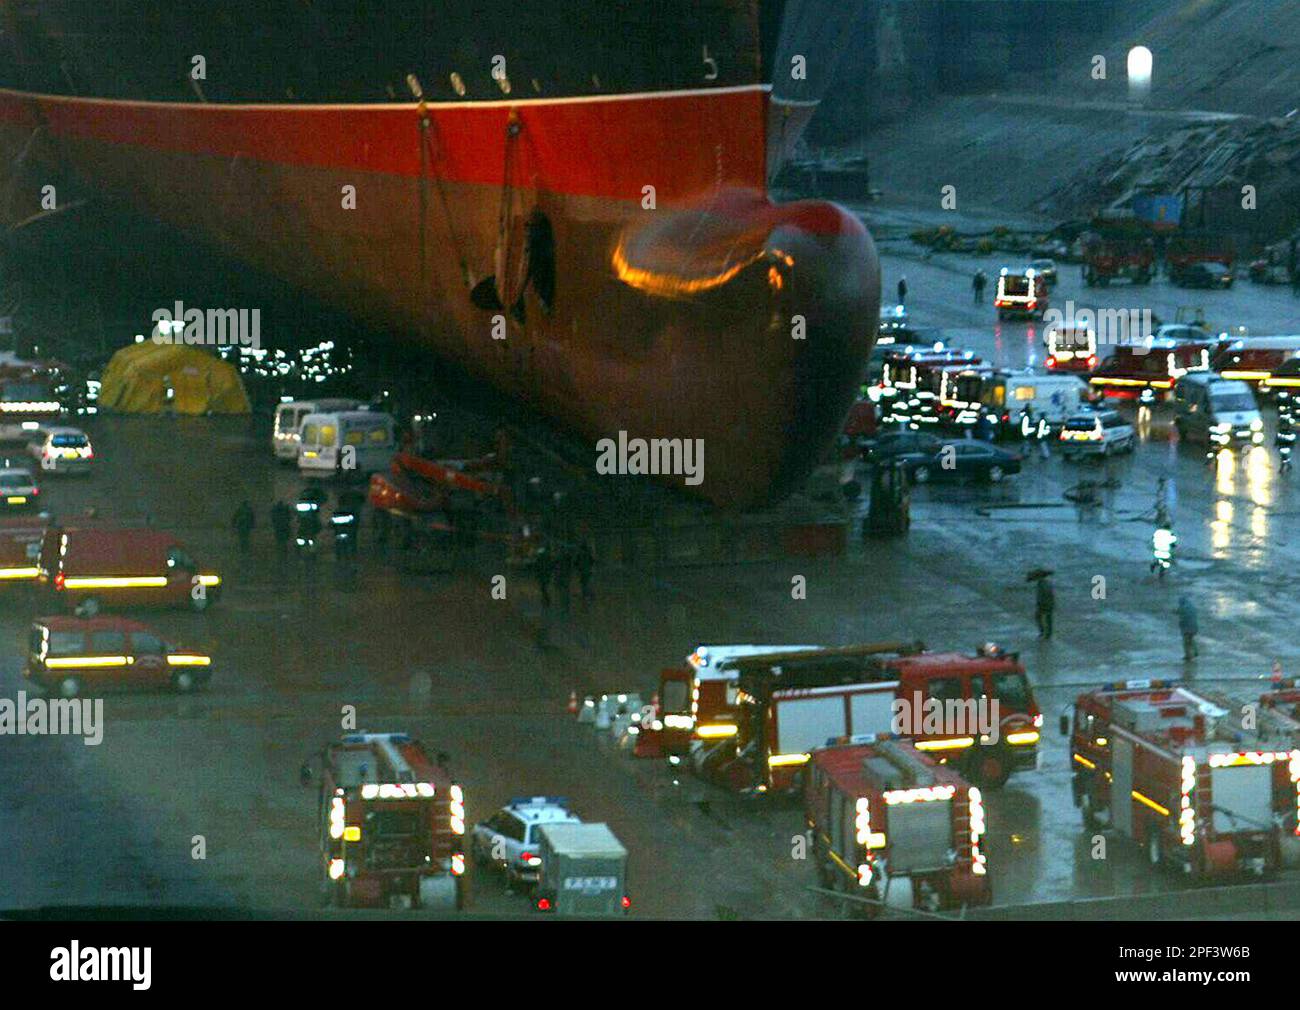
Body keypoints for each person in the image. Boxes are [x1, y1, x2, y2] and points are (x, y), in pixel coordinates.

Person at [532, 541, 554, 607]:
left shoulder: (541, 553)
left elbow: (537, 563)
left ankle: (546, 599)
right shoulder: (548, 554)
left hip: (543, 573)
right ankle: (546, 599)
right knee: (544, 587)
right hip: (546, 573)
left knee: (543, 587)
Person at [1177, 594, 1199, 661]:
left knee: (1186, 642)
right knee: (1191, 639)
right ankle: (1196, 652)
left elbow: (1182, 616)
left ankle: (1188, 656)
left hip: (1187, 628)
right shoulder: (1191, 606)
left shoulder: (1183, 608)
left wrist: (1180, 623)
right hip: (1194, 627)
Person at [575, 533, 595, 603]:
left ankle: (586, 596)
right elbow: (592, 560)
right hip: (587, 571)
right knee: (588, 583)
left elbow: (576, 562)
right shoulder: (588, 553)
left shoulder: (580, 553)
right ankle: (589, 596)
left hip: (583, 571)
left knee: (584, 584)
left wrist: (578, 568)